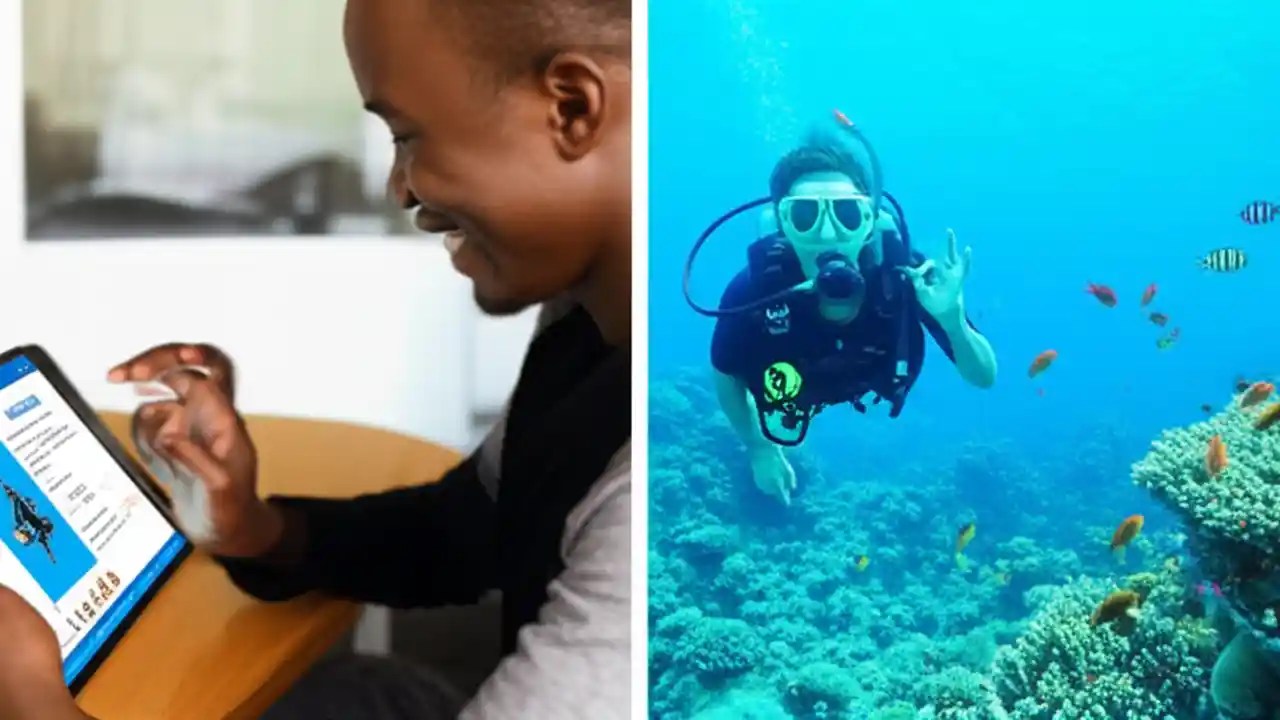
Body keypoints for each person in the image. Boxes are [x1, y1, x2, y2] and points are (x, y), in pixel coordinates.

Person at [0, 0, 632, 718]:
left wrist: (29, 692)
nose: (399, 189)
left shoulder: (647, 513)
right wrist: (254, 530)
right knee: (348, 690)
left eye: (407, 135)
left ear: (572, 108)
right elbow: (470, 527)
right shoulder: (585, 326)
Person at [694, 119, 996, 506]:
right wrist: (760, 448)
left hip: (869, 379)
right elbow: (726, 374)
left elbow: (983, 376)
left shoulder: (909, 279)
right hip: (794, 391)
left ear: (869, 222)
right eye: (805, 216)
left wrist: (953, 322)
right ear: (783, 225)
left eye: (848, 214)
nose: (827, 233)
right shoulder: (753, 291)